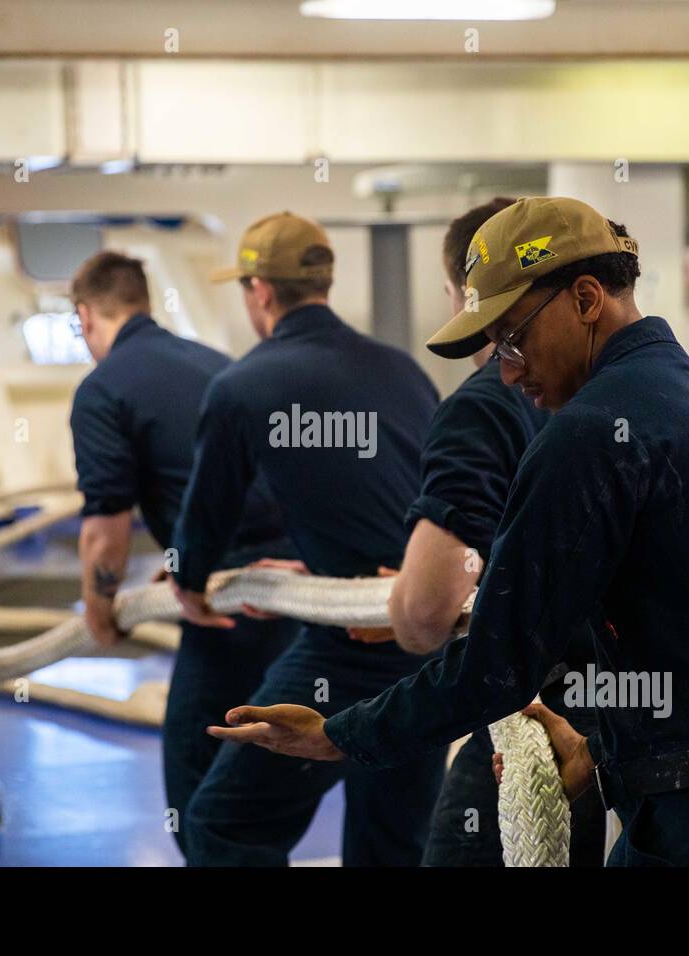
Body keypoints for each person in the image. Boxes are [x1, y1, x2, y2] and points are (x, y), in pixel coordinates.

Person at [208, 197, 689, 867]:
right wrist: (606, 747)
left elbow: (499, 664)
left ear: (587, 298)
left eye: (513, 337)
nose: (508, 370)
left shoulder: (590, 433)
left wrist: (336, 735)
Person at [168, 211, 446, 866]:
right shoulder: (402, 370)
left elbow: (203, 522)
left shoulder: (240, 387)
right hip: (430, 637)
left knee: (224, 825)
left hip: (351, 648)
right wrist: (308, 567)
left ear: (260, 291)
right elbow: (413, 498)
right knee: (393, 841)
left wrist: (188, 582)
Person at [349, 197, 604, 867]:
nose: (513, 367)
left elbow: (429, 613)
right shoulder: (685, 409)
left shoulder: (485, 407)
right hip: (633, 733)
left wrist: (409, 604)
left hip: (540, 713)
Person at [67, 250, 297, 860]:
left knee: (198, 786)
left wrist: (100, 607)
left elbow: (105, 529)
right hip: (301, 581)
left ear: (86, 317)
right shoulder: (215, 362)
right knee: (271, 767)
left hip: (227, 598)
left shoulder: (101, 390)